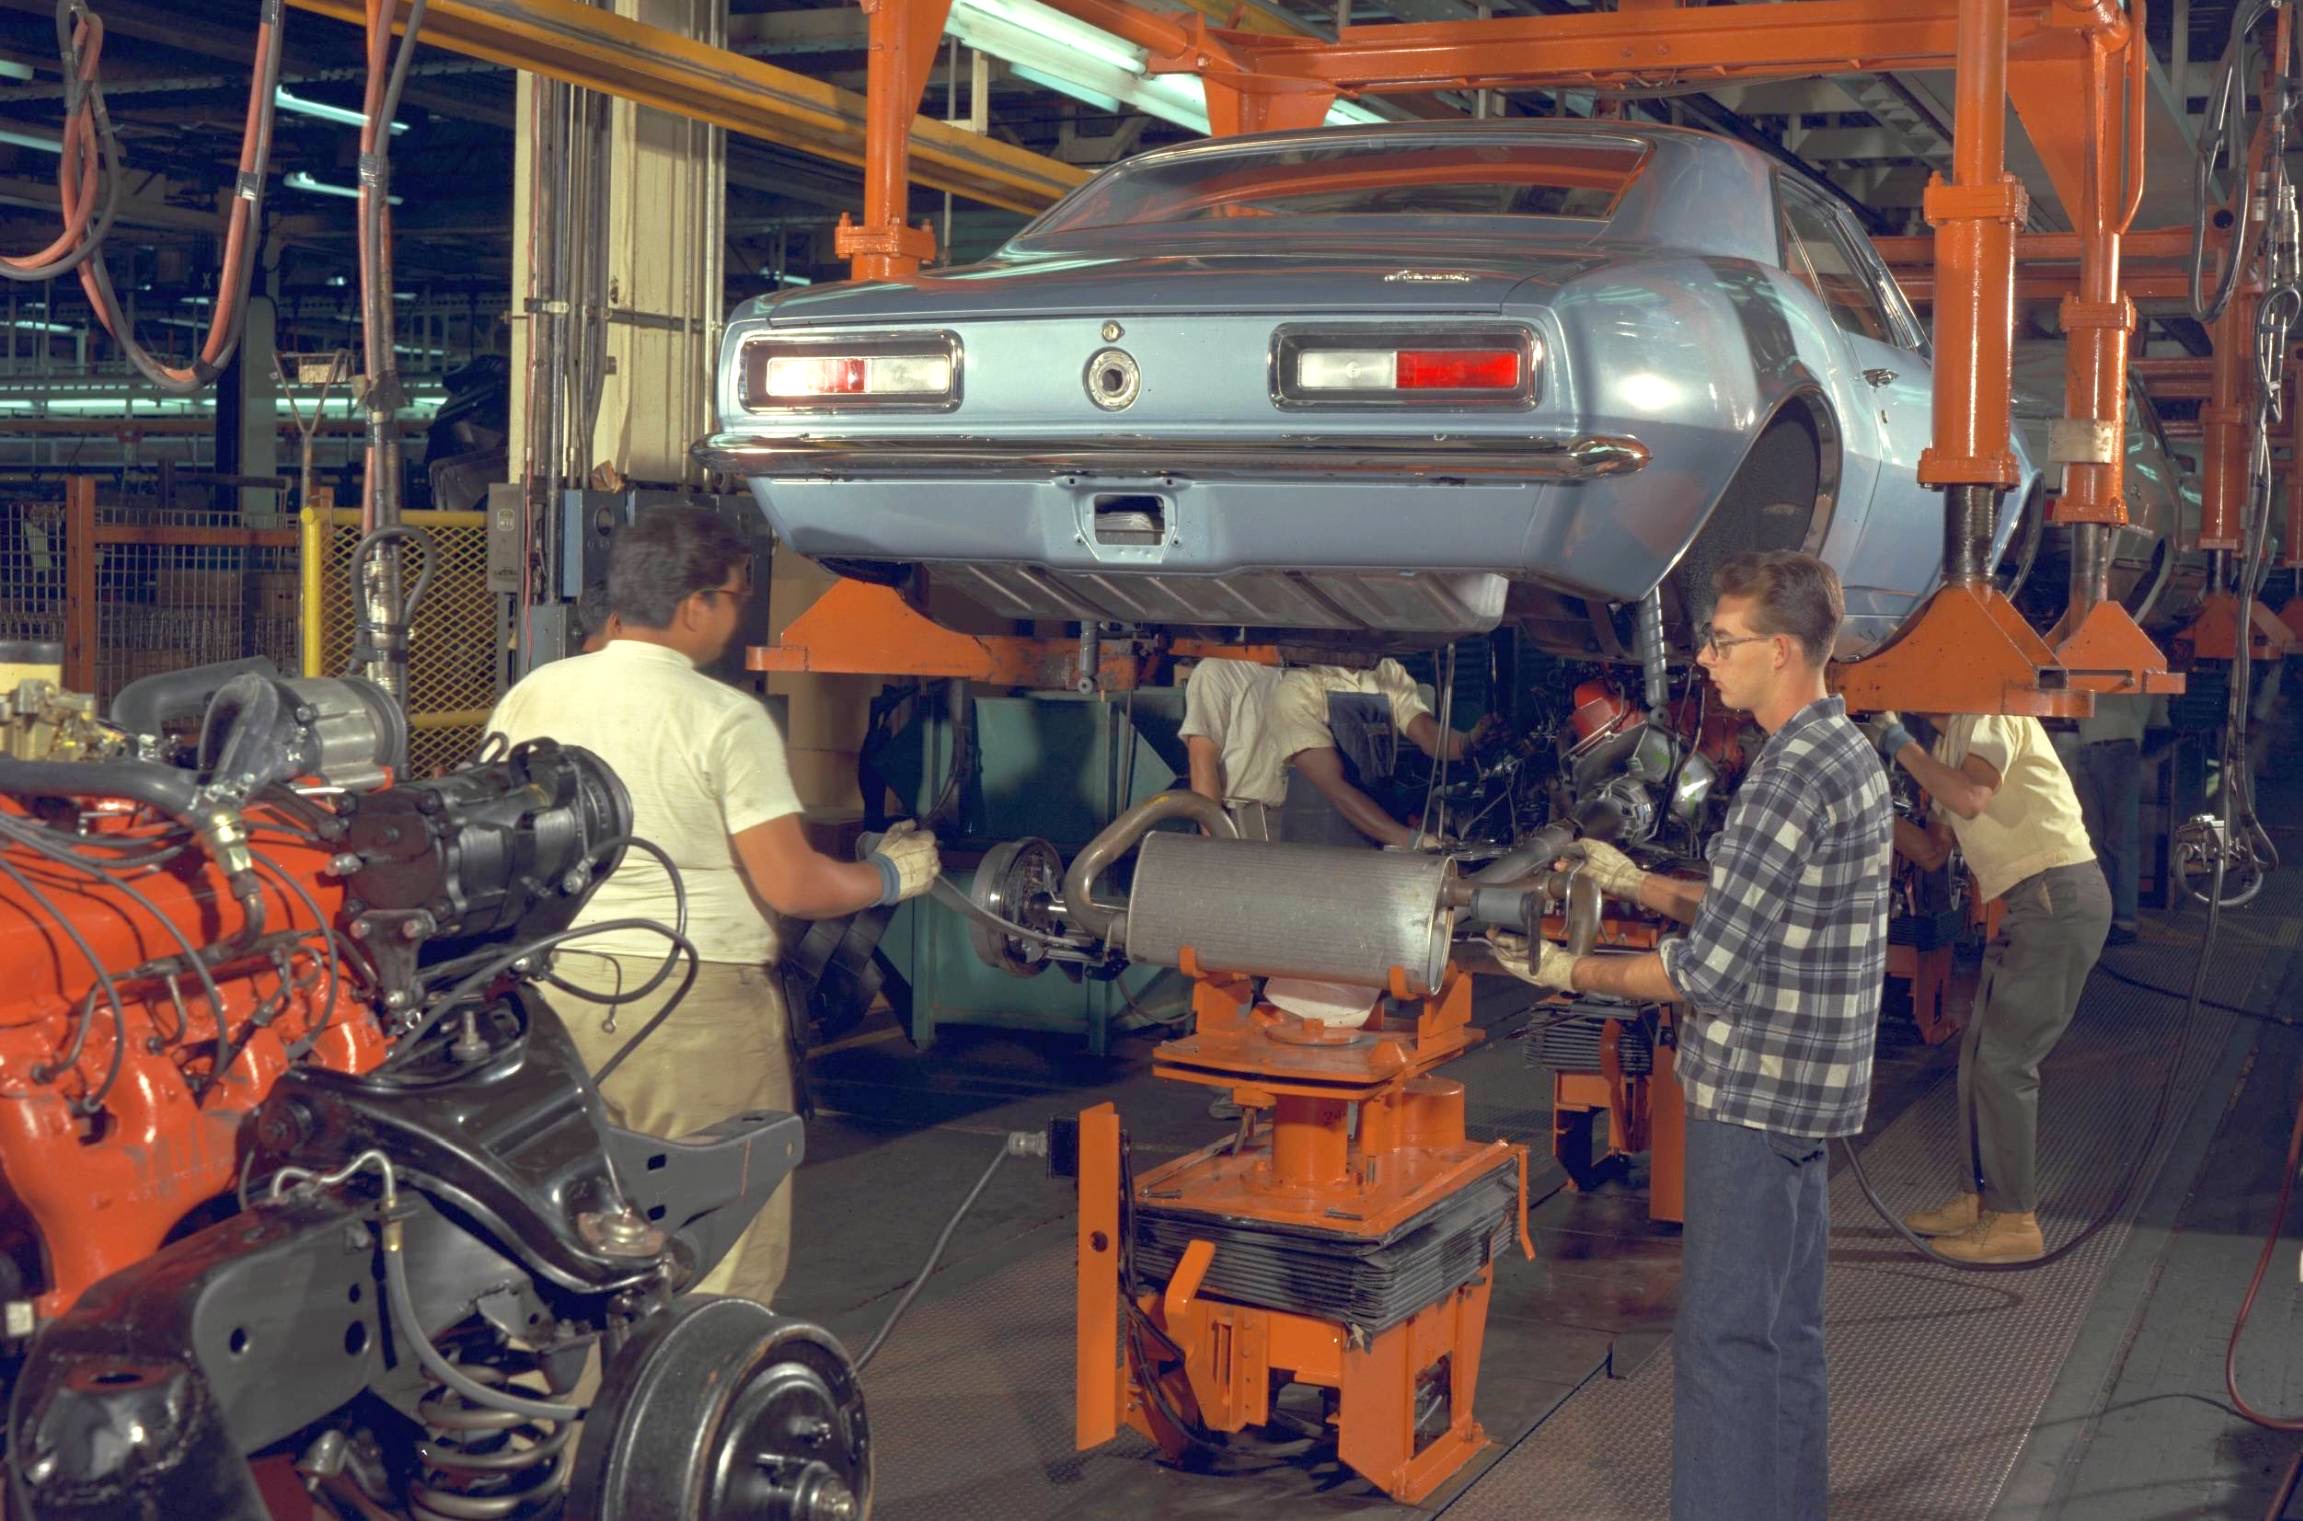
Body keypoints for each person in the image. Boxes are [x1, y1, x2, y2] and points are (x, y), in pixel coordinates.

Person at [1495, 551, 1891, 1521]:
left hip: (1750, 1097)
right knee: (1784, 1334)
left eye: (1723, 641)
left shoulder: (1782, 778)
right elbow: (1751, 903)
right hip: (1808, 1092)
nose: (1707, 660)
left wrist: (1565, 971)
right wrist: (1635, 882)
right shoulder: (1841, 755)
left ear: (1783, 651)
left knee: (1718, 1342)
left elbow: (1706, 969)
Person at [485, 508, 940, 1305]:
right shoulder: (724, 717)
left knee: (581, 1227)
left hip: (556, 997)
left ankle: (579, 1408)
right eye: (733, 598)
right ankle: (696, 1410)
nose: (734, 618)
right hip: (693, 1004)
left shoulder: (534, 694)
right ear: (696, 605)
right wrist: (889, 876)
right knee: (722, 1229)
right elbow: (794, 884)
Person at [1867, 702, 2110, 1264]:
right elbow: (1930, 852)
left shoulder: (1992, 711)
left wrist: (1898, 742)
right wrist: (1866, 803)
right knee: (1979, 1055)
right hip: (2032, 904)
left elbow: (1972, 796)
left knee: (2005, 1062)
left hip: (2056, 896)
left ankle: (2014, 1221)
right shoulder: (1954, 748)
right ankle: (1979, 1199)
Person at [1182, 656, 1486, 848]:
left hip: (1312, 820)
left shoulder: (1306, 667)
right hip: (1247, 826)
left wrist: (1471, 740)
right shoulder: (1218, 670)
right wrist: (1214, 849)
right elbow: (1203, 767)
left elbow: (1428, 733)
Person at [2067, 692, 2153, 946]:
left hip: (2118, 748)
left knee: (2116, 838)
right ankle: (2106, 917)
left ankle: (2123, 919)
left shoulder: (2125, 661)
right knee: (2099, 839)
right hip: (2093, 747)